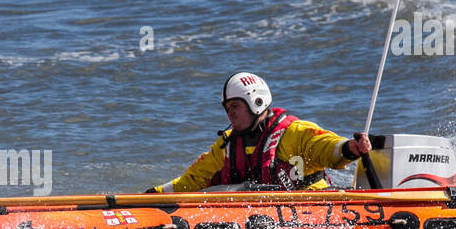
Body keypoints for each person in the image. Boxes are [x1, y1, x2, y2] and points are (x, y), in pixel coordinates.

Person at [146, 72, 372, 193]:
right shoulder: (226, 147)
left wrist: (351, 148)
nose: (230, 114)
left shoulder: (294, 133)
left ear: (256, 101)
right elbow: (192, 180)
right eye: (227, 108)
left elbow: (327, 146)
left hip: (311, 208)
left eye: (235, 106)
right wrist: (152, 196)